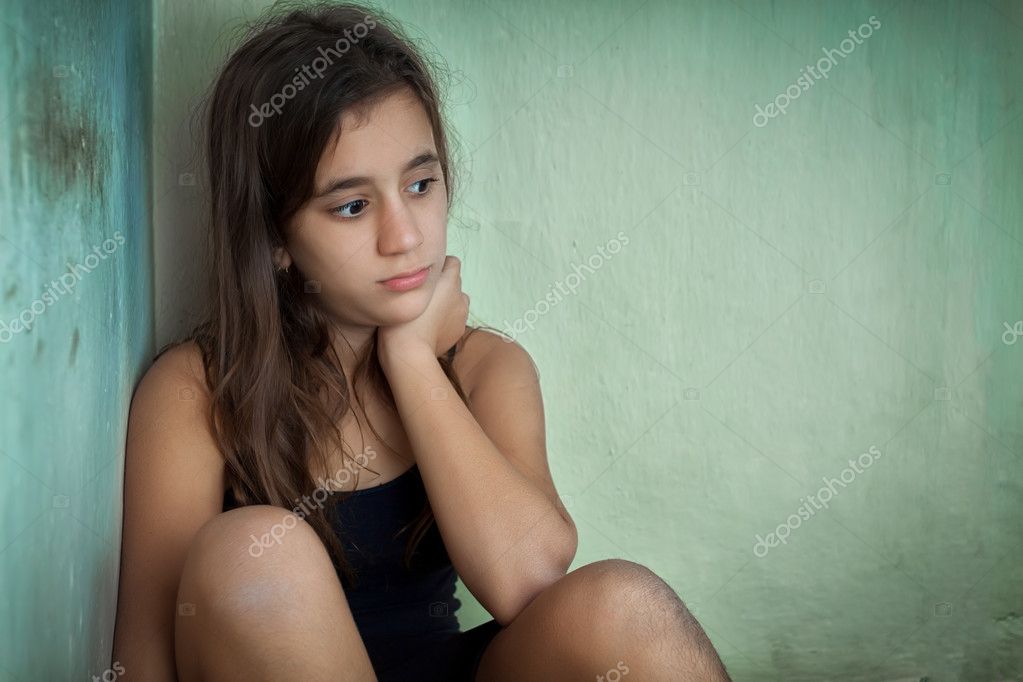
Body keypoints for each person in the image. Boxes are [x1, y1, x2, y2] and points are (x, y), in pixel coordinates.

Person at [111, 3, 732, 680]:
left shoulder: (487, 367)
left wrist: (410, 361)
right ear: (276, 239)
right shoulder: (196, 391)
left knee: (623, 602)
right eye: (352, 205)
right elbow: (145, 660)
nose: (404, 236)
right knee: (253, 548)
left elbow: (526, 580)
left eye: (420, 184)